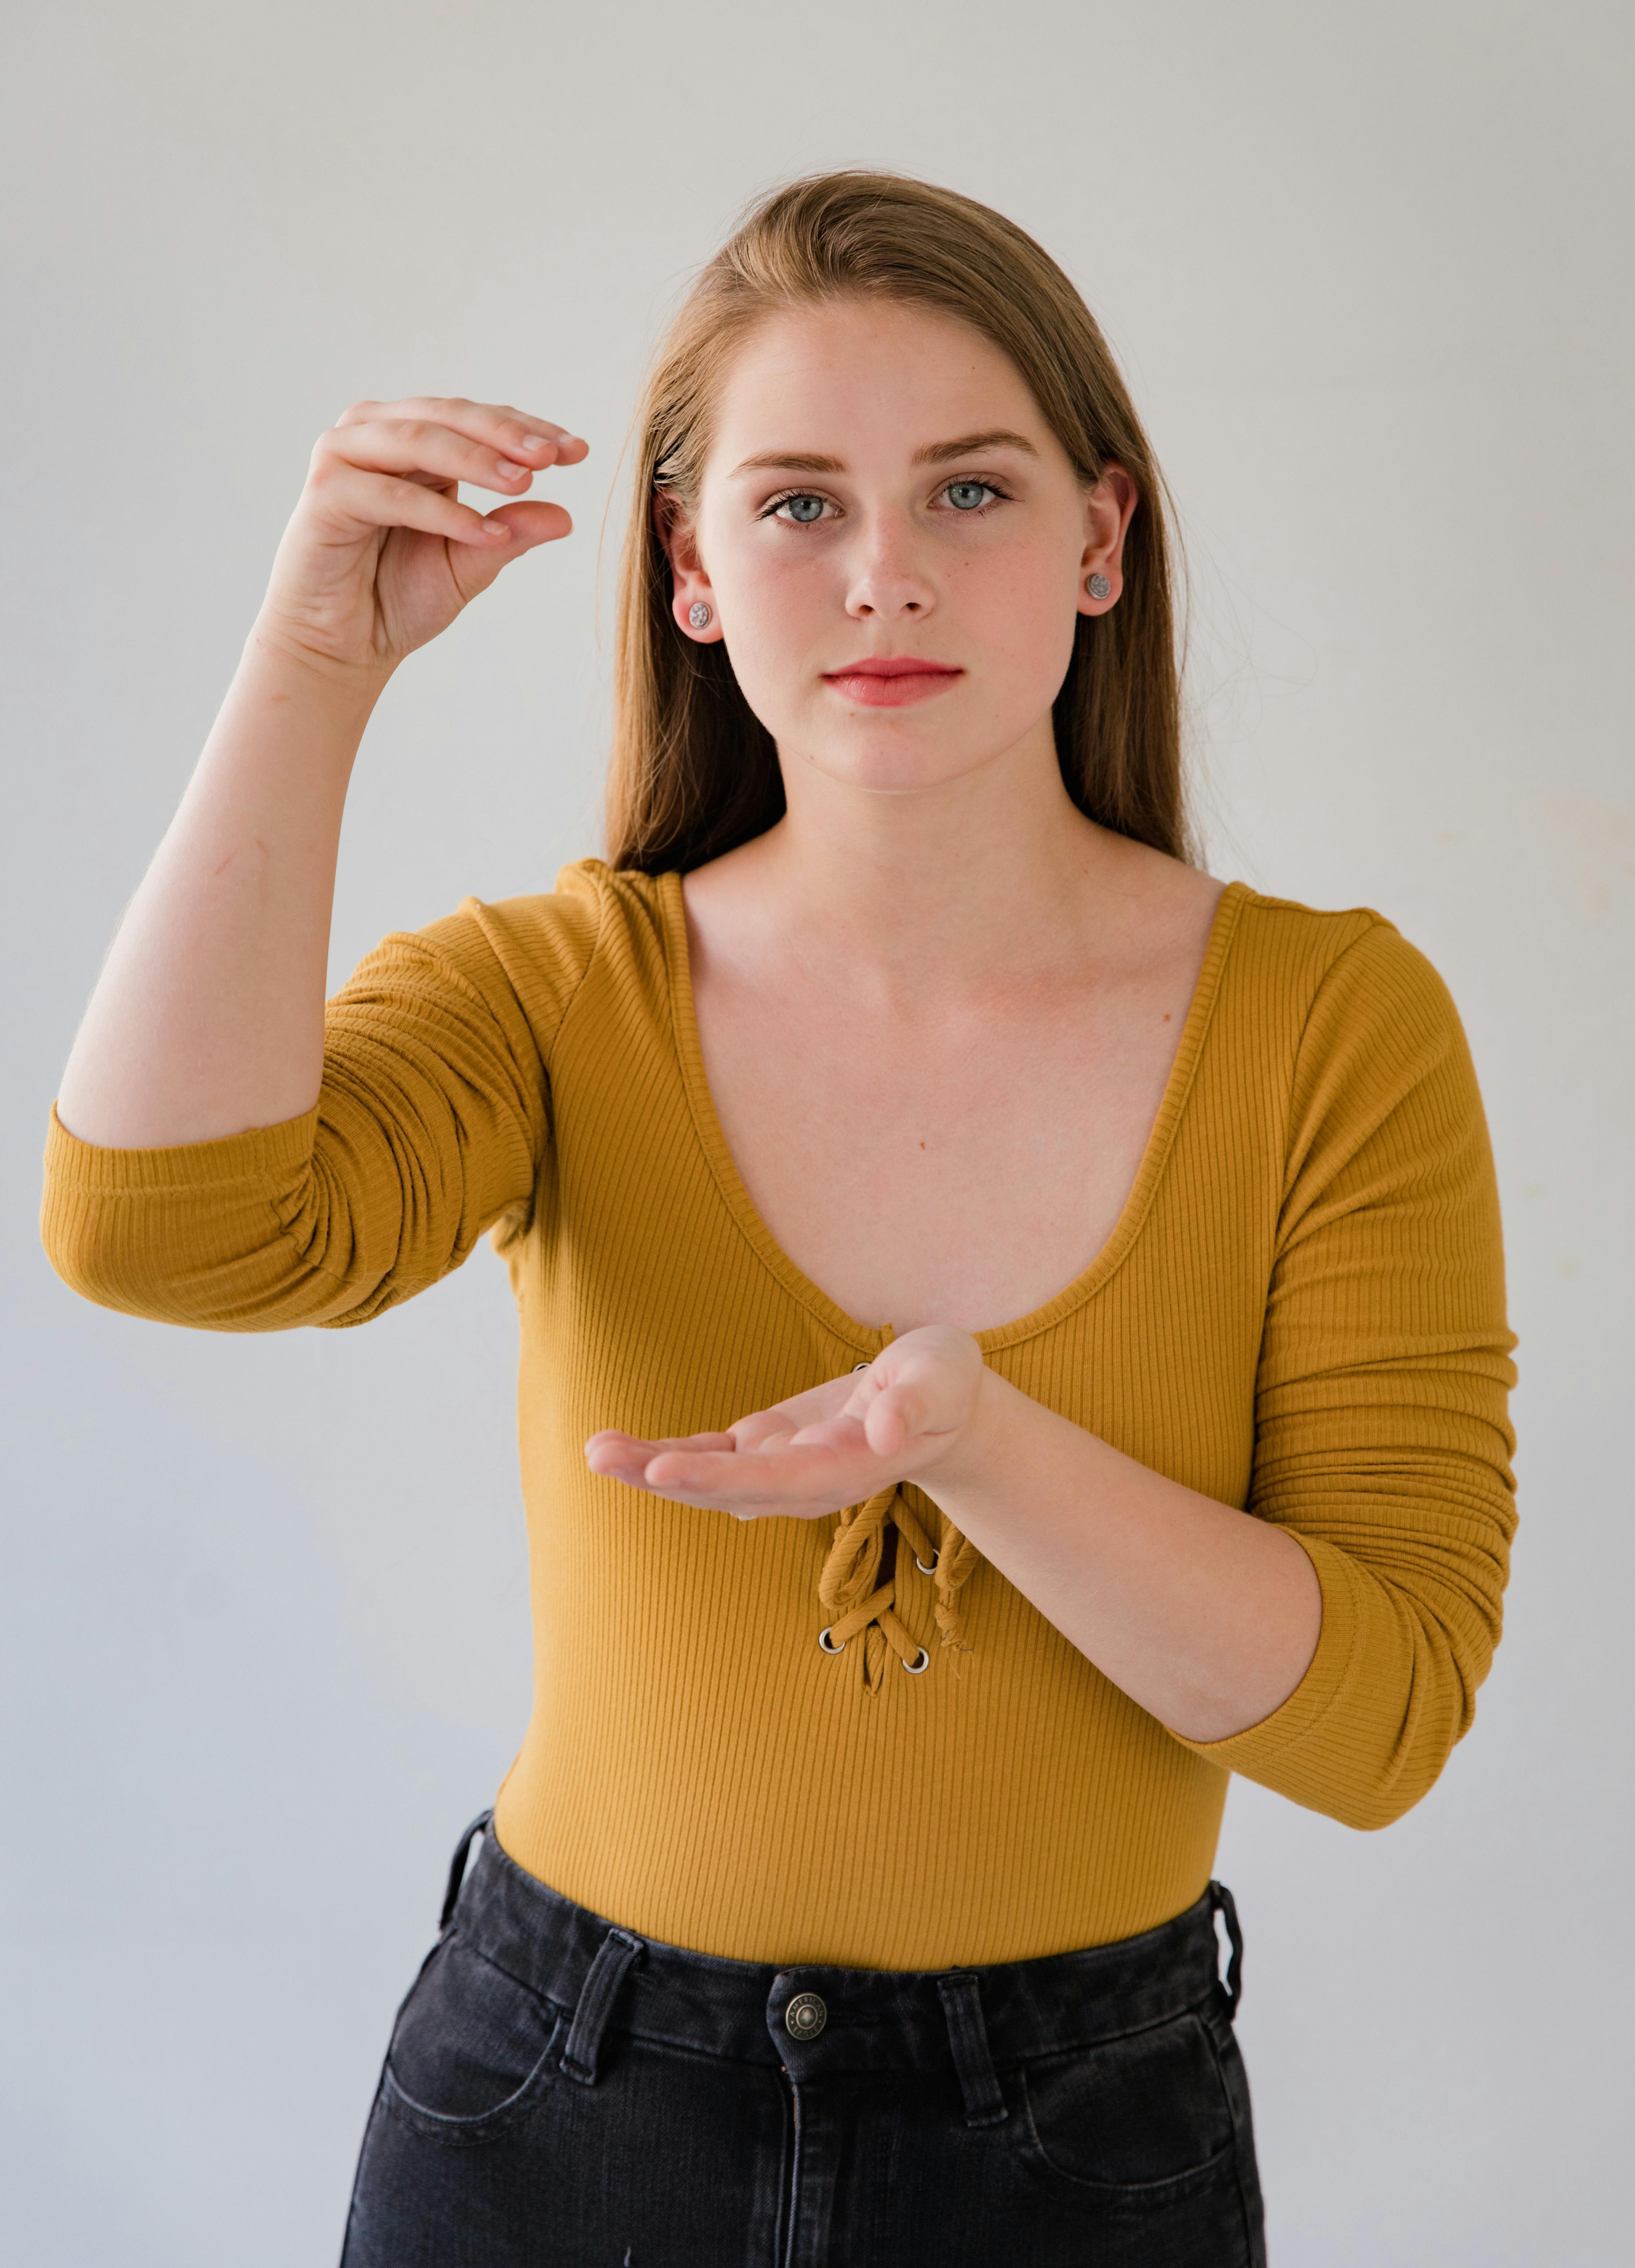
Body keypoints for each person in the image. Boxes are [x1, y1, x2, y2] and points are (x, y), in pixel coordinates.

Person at [42, 172, 1517, 2268]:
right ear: (692, 572)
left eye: (974, 494)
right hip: (556, 2107)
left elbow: (1381, 1720)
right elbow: (154, 1232)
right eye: (802, 504)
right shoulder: (561, 992)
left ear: (1103, 539)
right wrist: (312, 661)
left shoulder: (1332, 1025)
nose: (887, 576)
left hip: (1083, 2145)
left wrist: (972, 1443)